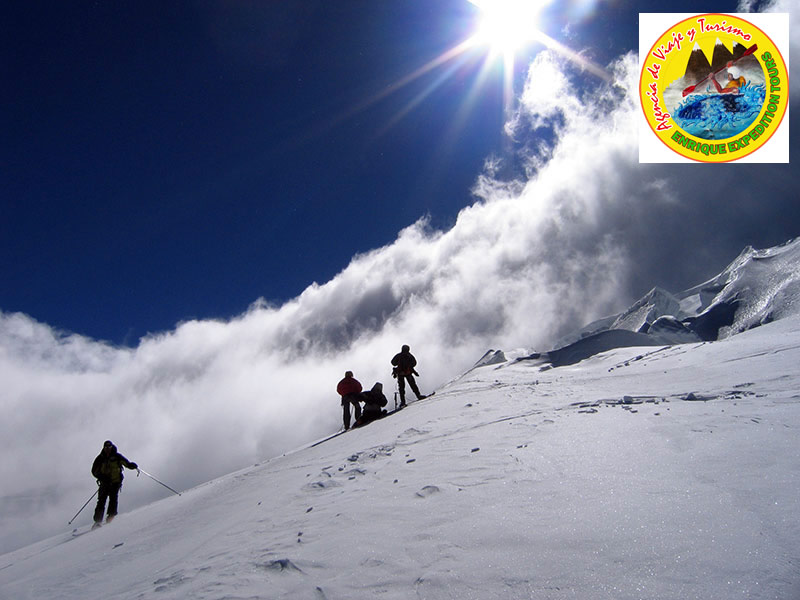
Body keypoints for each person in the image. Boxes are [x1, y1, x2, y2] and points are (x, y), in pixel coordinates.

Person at [91, 440, 137, 526]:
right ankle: (98, 521)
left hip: (115, 482)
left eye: (109, 447)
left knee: (113, 499)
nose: (107, 449)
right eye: (106, 447)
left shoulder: (117, 456)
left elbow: (126, 463)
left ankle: (110, 517)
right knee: (101, 501)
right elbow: (94, 471)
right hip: (105, 483)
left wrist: (131, 465)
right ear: (103, 448)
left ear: (111, 447)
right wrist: (102, 477)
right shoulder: (100, 458)